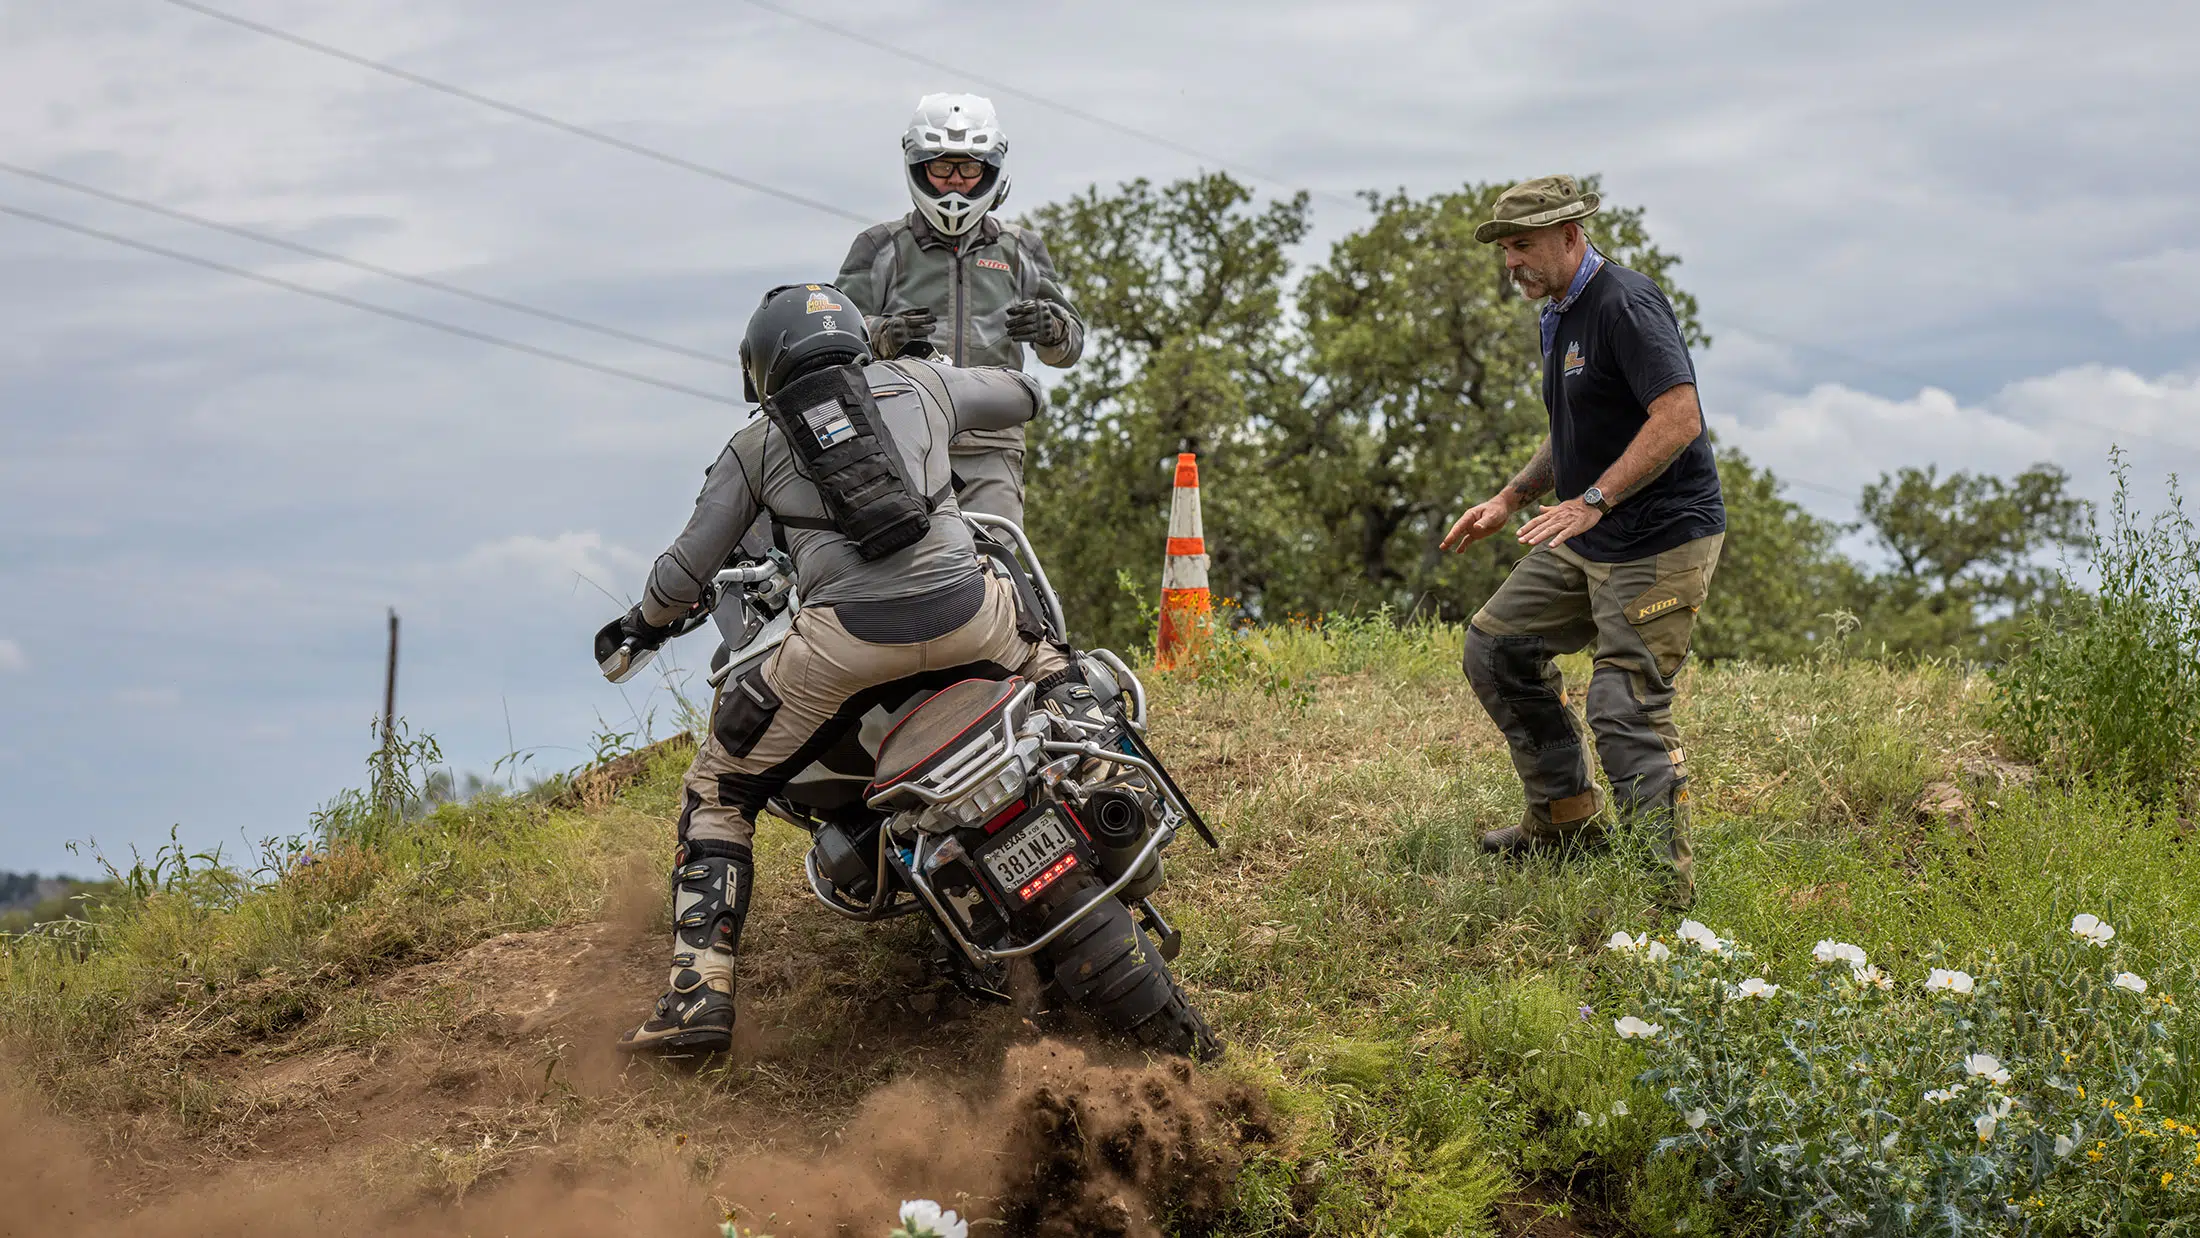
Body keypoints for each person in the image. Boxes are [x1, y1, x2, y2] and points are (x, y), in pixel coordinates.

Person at [594, 281, 1074, 1056]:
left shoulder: (754, 444)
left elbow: (686, 572)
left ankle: (698, 997)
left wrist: (640, 625)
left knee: (718, 789)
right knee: (1056, 665)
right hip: (968, 616)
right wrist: (931, 365)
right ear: (858, 335)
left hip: (845, 645)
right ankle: (1114, 789)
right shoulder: (923, 384)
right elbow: (1023, 396)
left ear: (760, 369)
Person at [1440, 175, 1726, 905]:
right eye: (1505, 249)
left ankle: (1667, 906)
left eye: (1524, 246)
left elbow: (1679, 418)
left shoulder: (1625, 303)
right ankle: (1564, 824)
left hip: (1659, 537)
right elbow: (1578, 423)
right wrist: (1512, 496)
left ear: (1571, 235)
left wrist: (1597, 498)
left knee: (1622, 706)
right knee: (1496, 649)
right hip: (1588, 529)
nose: (1511, 263)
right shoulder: (1558, 312)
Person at [835, 92, 1086, 526]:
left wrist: (1053, 328)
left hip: (993, 444)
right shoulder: (881, 246)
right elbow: (835, 339)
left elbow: (1070, 348)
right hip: (902, 440)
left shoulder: (1020, 248)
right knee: (903, 568)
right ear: (920, 167)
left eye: (969, 168)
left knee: (996, 567)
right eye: (943, 166)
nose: (956, 180)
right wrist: (884, 334)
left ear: (989, 169)